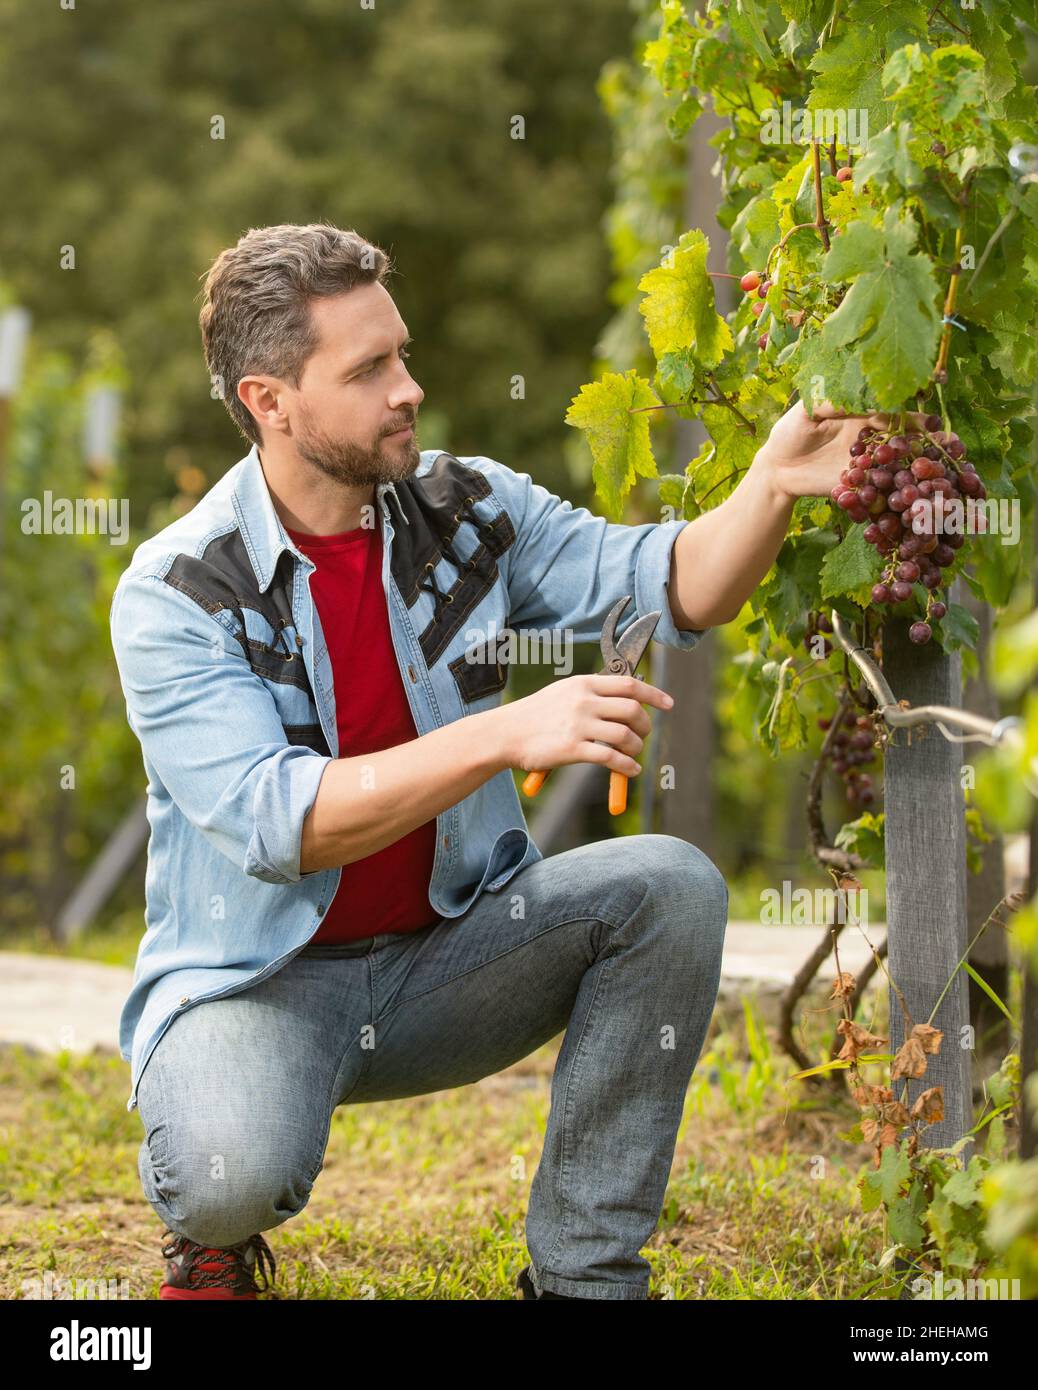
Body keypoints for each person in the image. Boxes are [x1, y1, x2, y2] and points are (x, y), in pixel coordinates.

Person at [109, 222, 902, 1300]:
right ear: (268, 401)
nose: (409, 389)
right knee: (227, 1169)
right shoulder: (180, 590)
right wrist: (505, 728)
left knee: (666, 887)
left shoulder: (465, 509)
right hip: (263, 982)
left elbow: (671, 581)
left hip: (452, 957)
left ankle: (580, 1275)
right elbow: (276, 823)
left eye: (402, 353)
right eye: (370, 368)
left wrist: (767, 485)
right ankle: (210, 1236)